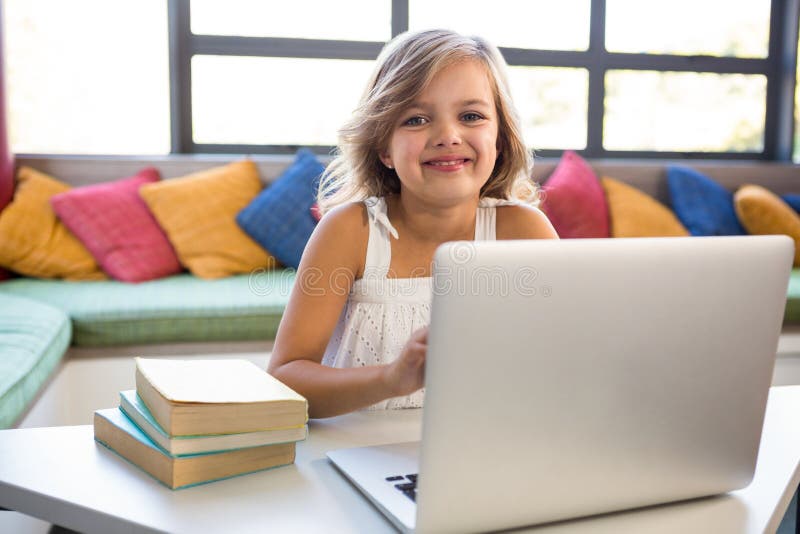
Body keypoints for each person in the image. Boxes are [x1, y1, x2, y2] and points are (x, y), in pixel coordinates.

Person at [268, 29, 558, 418]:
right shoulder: (350, 232)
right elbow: (285, 377)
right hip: (358, 456)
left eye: (471, 116)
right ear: (384, 147)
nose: (447, 136)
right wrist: (391, 378)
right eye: (417, 119)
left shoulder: (524, 233)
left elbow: (564, 364)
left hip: (483, 453)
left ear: (500, 138)